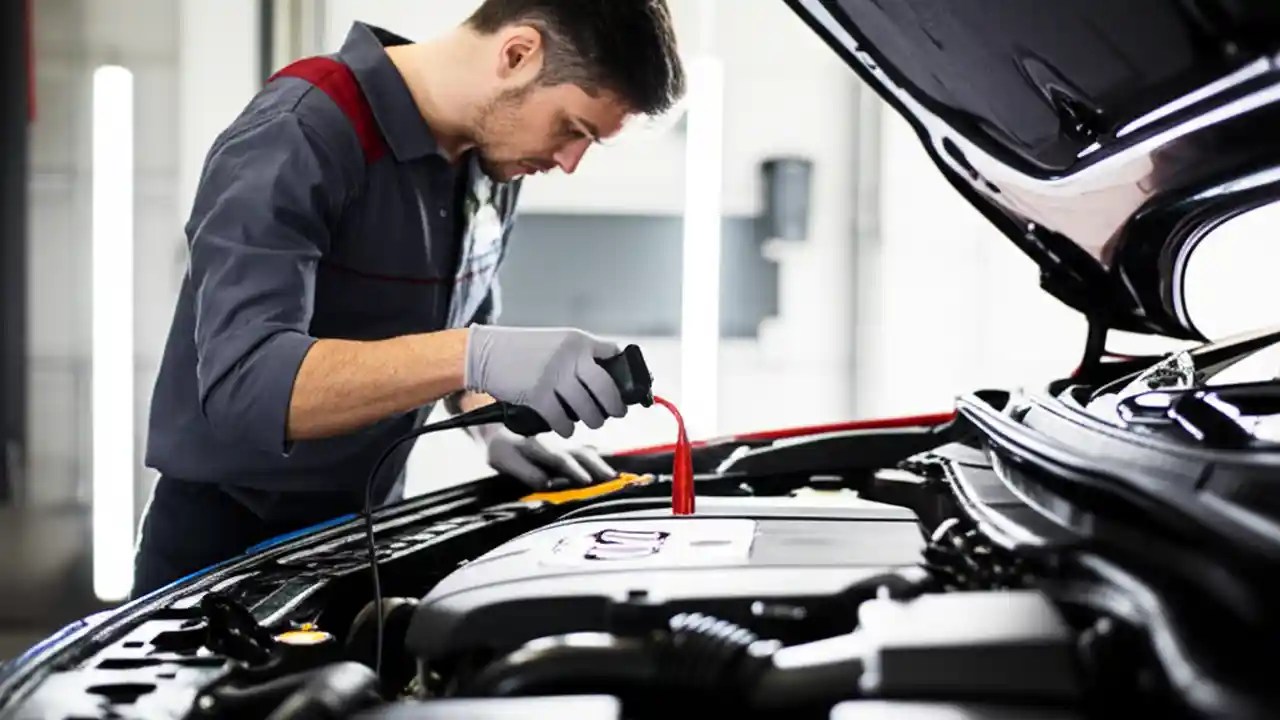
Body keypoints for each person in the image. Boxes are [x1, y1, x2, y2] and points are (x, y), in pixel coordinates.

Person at [131, 0, 685, 597]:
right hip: (222, 548)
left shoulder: (491, 165)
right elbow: (248, 384)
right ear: (517, 54)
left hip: (365, 528)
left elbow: (461, 321)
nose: (568, 163)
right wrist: (477, 355)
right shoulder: (299, 132)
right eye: (572, 129)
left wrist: (488, 421)